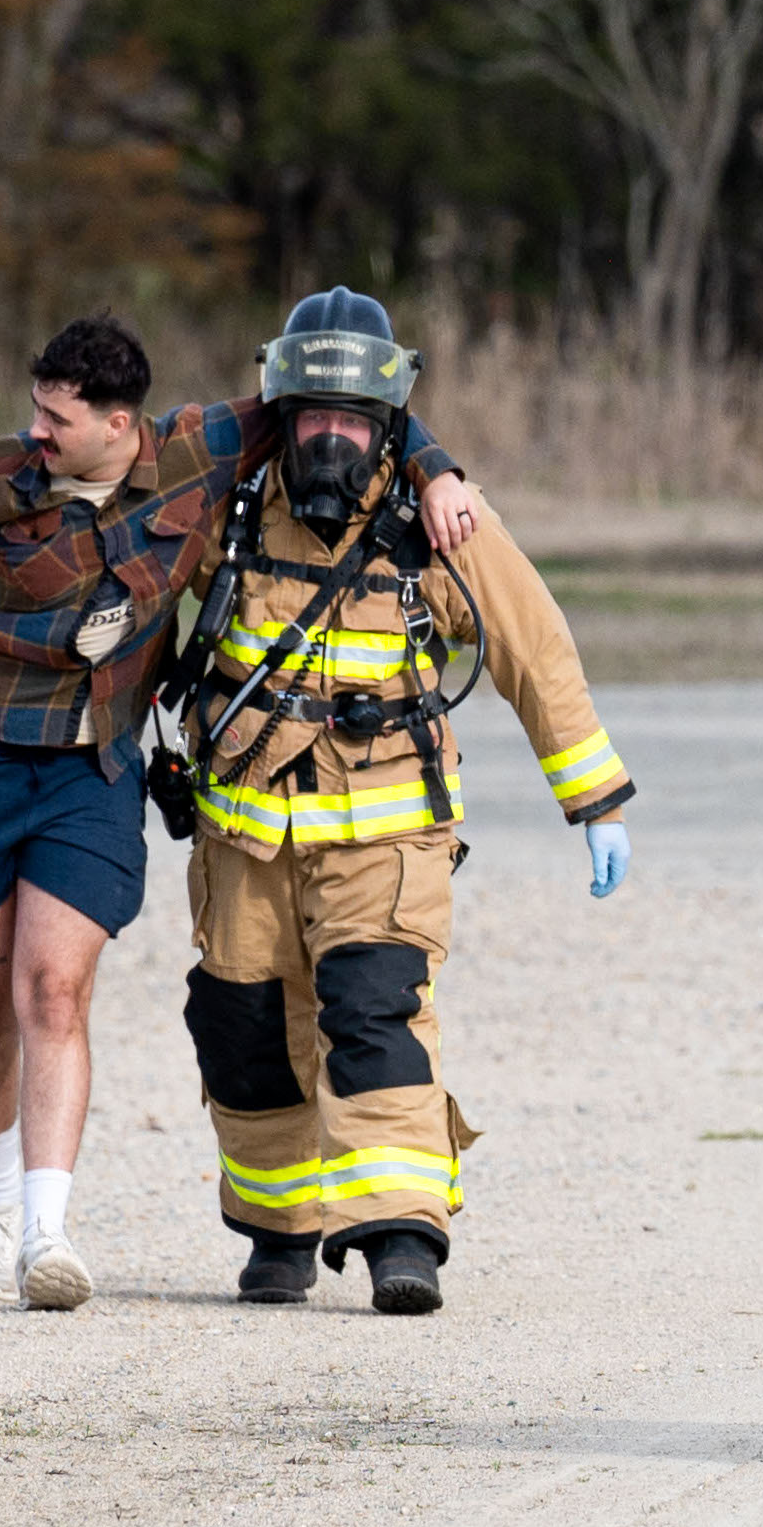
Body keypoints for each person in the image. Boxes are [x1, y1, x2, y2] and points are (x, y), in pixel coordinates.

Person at [0, 311, 478, 1312]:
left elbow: (330, 400)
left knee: (52, 991)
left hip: (91, 764)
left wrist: (437, 468)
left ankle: (43, 1233)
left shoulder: (195, 451)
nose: (38, 431)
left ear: (121, 423)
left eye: (57, 418)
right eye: (35, 409)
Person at [169, 288, 635, 1316]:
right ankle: (278, 1232)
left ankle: (399, 1237)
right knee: (242, 1026)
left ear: (385, 421)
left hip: (385, 832)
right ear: (282, 415)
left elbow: (532, 646)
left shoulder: (438, 522)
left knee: (374, 1016)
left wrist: (593, 796)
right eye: (311, 416)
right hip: (242, 831)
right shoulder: (231, 509)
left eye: (352, 418)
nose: (330, 437)